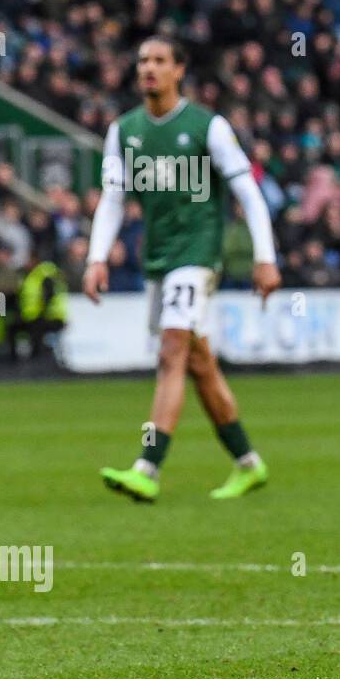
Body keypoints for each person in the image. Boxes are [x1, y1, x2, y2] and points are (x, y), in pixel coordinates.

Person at [84, 36, 281, 503]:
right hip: (159, 259)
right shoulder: (124, 130)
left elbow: (248, 192)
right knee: (198, 364)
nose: (148, 68)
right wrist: (96, 257)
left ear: (179, 70)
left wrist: (265, 257)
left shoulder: (207, 126)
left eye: (159, 60)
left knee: (171, 353)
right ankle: (248, 463)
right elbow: (112, 200)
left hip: (197, 257)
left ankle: (147, 467)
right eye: (142, 60)